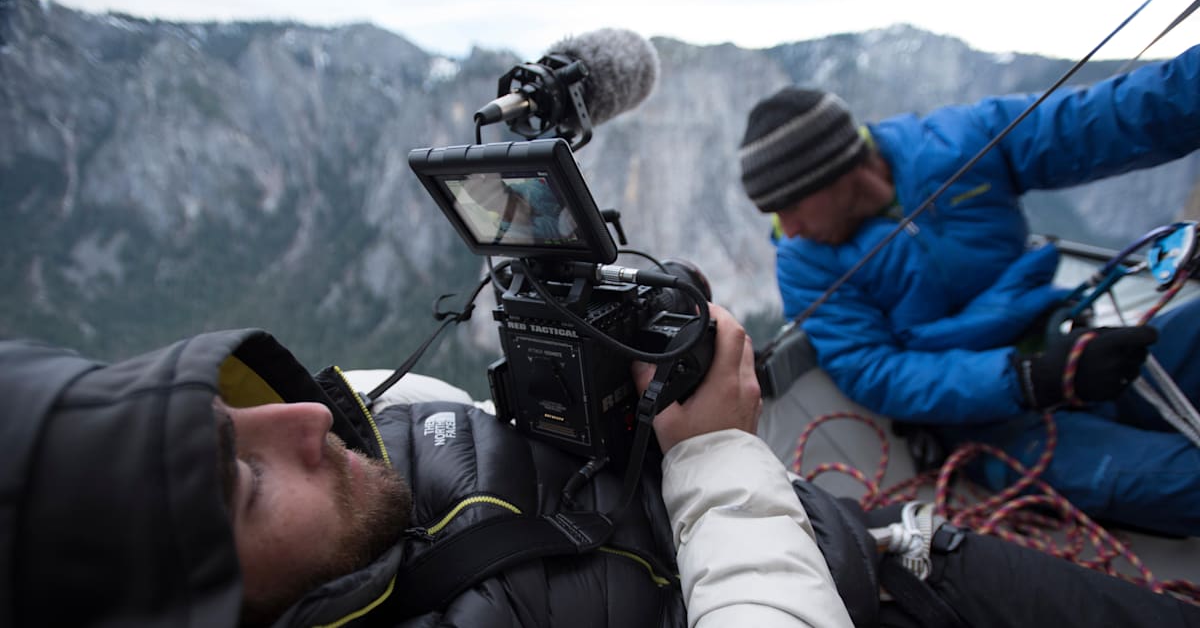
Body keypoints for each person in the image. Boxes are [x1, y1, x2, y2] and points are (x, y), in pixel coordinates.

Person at [4, 306, 1200, 627]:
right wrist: (723, 452)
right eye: (240, 481)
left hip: (880, 556)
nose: (308, 423)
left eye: (232, 406)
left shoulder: (335, 463)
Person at [737, 43, 1200, 537]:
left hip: (1067, 341)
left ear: (834, 171)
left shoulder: (958, 144)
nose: (789, 228)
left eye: (789, 206)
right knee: (1179, 482)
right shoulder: (804, 262)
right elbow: (875, 371)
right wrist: (1024, 378)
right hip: (989, 424)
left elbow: (1105, 119)